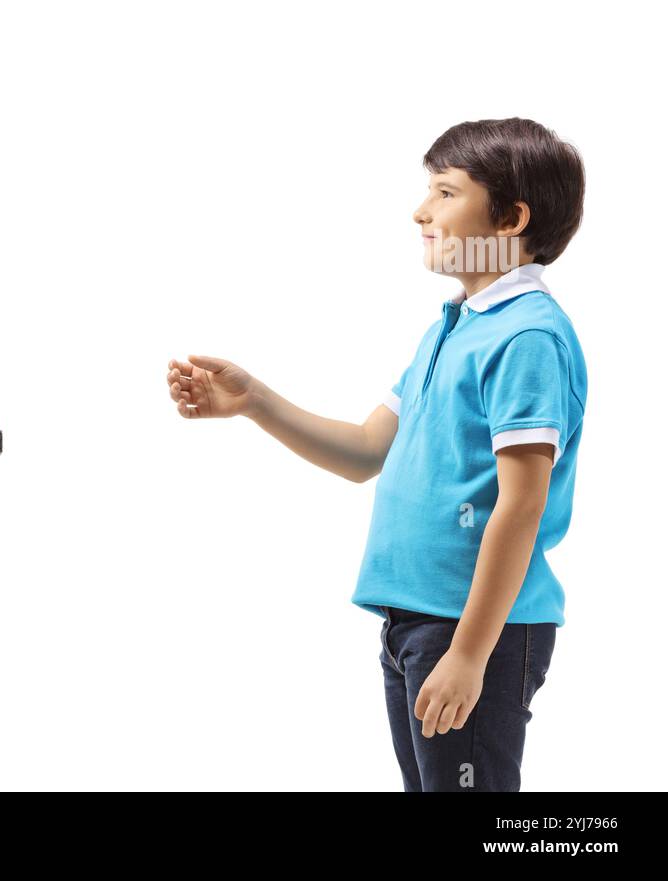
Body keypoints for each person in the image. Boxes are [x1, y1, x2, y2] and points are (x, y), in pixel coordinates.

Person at [166, 118, 586, 791]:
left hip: (470, 628)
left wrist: (471, 652)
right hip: (414, 623)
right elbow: (367, 451)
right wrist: (253, 401)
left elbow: (523, 500)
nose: (420, 210)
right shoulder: (451, 327)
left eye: (445, 193)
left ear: (510, 218)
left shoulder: (528, 335)